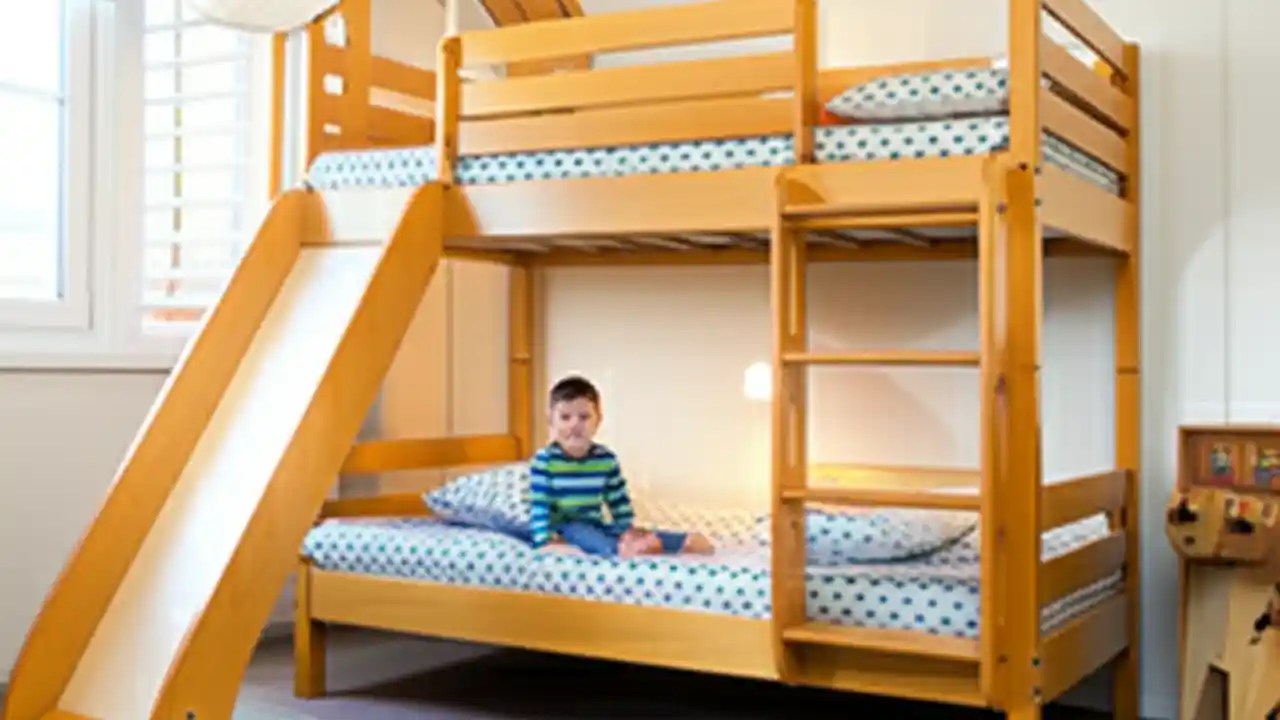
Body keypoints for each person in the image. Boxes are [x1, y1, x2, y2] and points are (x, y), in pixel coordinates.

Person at [528, 375, 714, 558]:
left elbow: (618, 501)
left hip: (595, 523)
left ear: (598, 420)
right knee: (590, 537)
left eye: (584, 417)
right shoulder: (545, 461)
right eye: (565, 417)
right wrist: (544, 540)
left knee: (614, 531)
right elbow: (540, 505)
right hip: (564, 527)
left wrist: (627, 531)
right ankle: (621, 551)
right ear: (551, 421)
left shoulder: (606, 459)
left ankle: (680, 541)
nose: (575, 424)